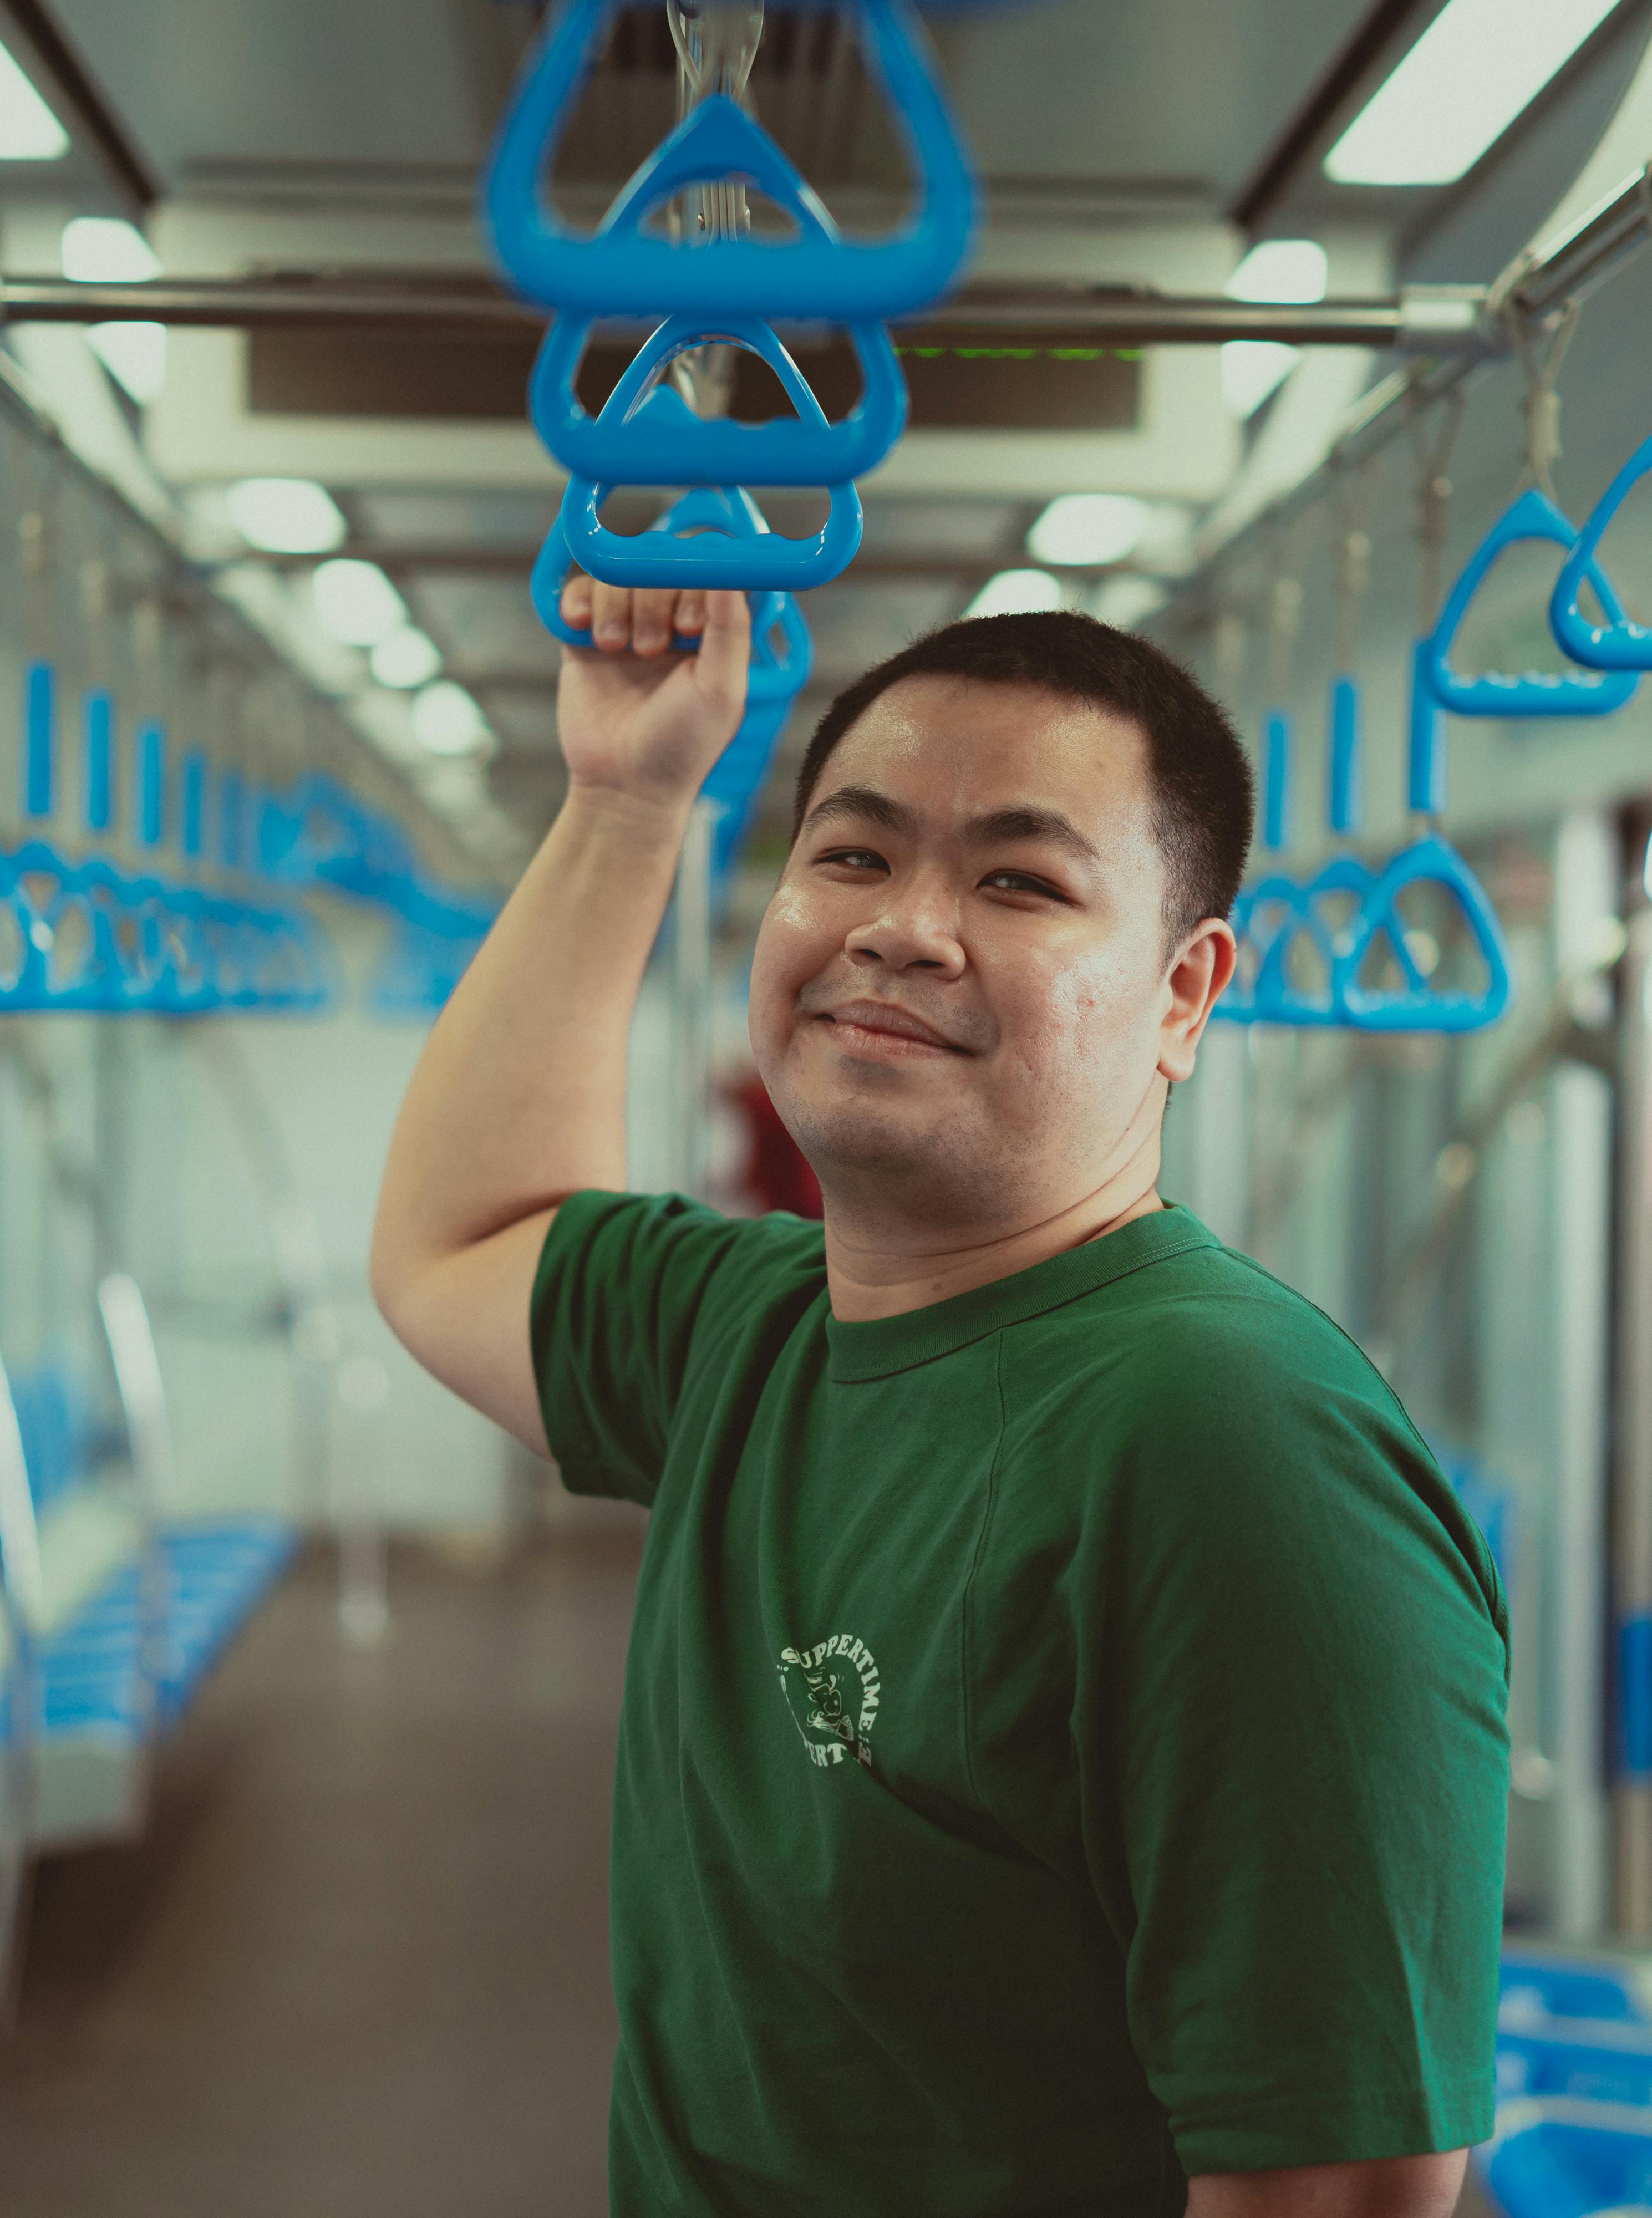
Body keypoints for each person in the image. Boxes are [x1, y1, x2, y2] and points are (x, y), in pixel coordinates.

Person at [372, 574, 1508, 2218]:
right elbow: (451, 1243)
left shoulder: (1232, 1445)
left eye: (1022, 880)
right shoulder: (746, 1334)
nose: (903, 924)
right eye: (850, 854)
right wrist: (628, 803)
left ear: (1185, 995)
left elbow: (1333, 2194)